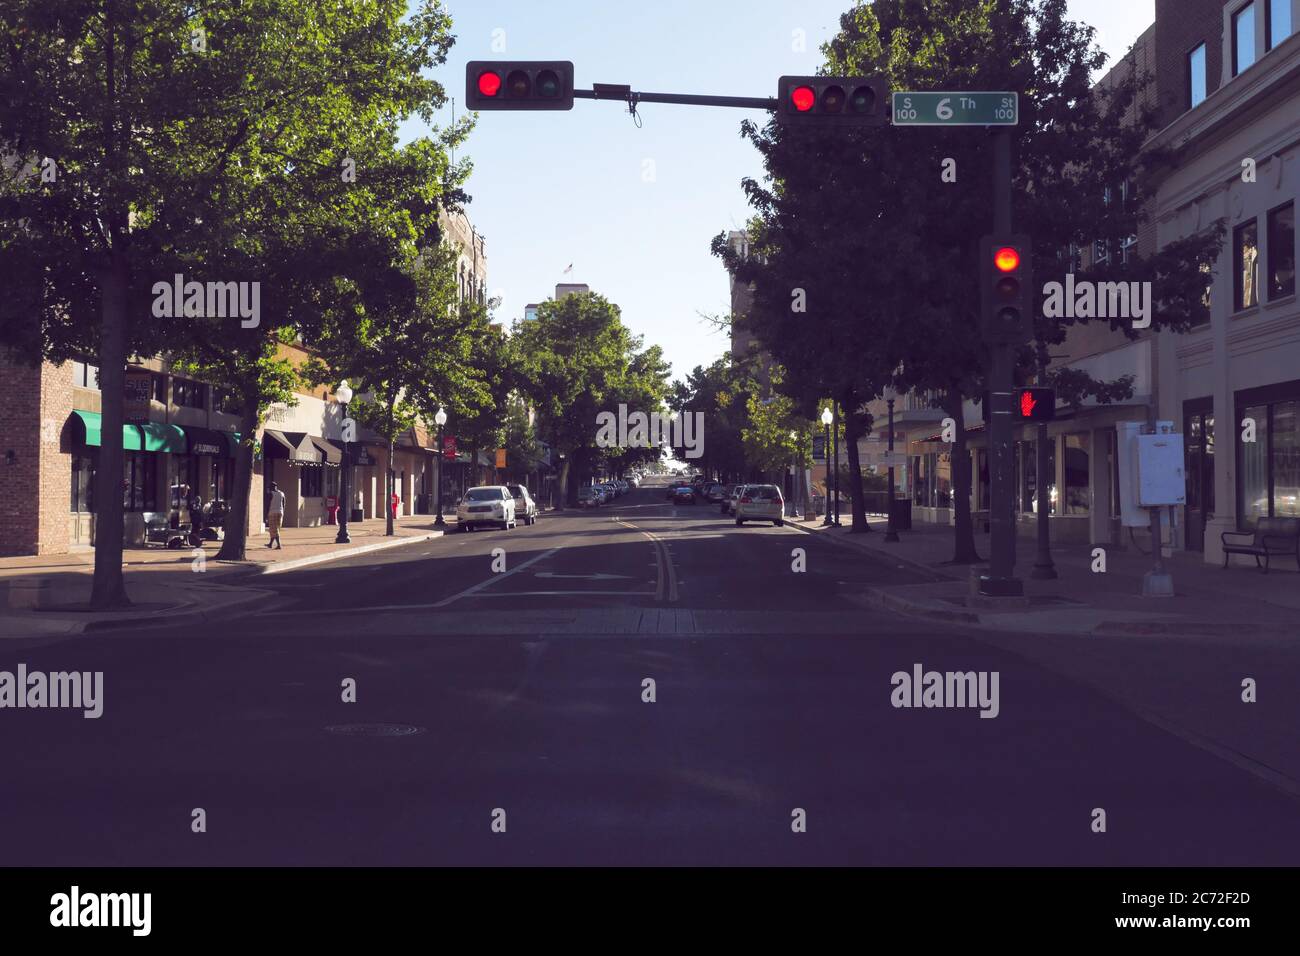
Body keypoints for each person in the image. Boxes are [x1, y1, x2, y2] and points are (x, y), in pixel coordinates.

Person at [267, 481, 285, 549]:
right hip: (280, 512)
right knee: (275, 528)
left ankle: (279, 545)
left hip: (272, 512)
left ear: (271, 487)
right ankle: (270, 544)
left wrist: (266, 514)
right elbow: (284, 503)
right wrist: (282, 511)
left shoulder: (270, 494)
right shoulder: (282, 493)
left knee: (274, 529)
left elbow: (267, 504)